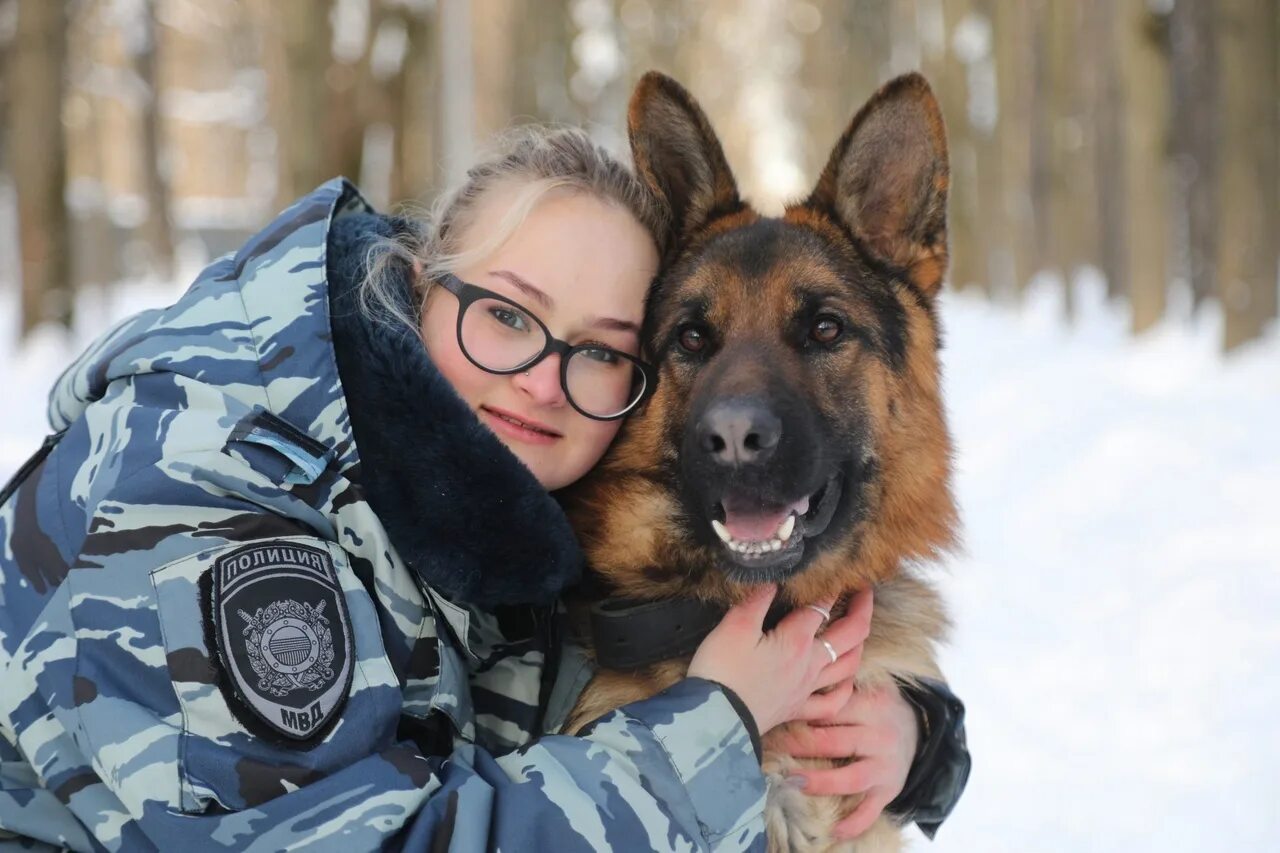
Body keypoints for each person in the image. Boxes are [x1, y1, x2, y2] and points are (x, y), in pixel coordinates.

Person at [0, 126, 967, 850]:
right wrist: (714, 728)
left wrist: (909, 737)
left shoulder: (503, 481)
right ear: (422, 280)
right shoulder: (206, 500)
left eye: (599, 349)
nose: (544, 380)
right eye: (508, 315)